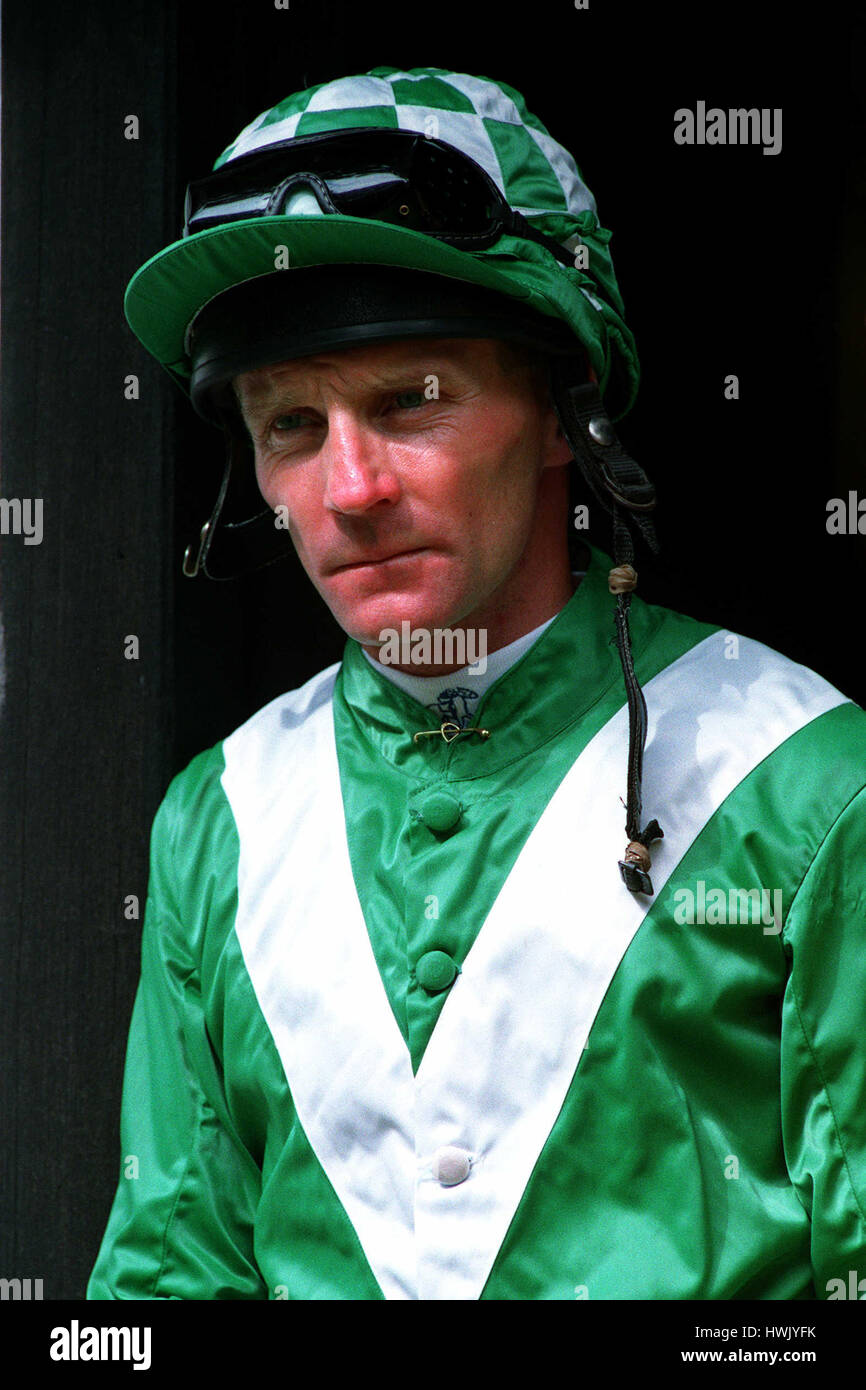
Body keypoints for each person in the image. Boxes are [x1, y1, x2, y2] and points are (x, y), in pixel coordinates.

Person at [88, 66, 866, 1302]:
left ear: (566, 412)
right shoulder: (215, 817)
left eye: (411, 401)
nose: (350, 489)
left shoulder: (815, 781)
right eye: (291, 426)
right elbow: (166, 1280)